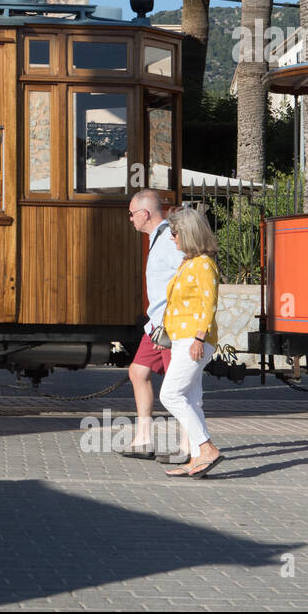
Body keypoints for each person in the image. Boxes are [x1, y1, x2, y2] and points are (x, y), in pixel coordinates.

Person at [119, 189, 188, 464]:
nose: (130, 220)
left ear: (144, 214)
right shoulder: (157, 238)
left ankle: (188, 445)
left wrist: (168, 327)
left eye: (131, 215)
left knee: (179, 387)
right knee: (138, 371)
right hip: (156, 325)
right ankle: (143, 439)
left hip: (169, 326)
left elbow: (183, 279)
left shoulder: (170, 240)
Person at [157, 206, 224, 478]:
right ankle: (198, 458)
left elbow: (209, 304)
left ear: (188, 233)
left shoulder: (204, 264)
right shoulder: (189, 262)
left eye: (174, 232)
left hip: (194, 339)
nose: (171, 237)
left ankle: (206, 448)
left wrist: (198, 337)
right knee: (192, 400)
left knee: (169, 394)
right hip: (182, 338)